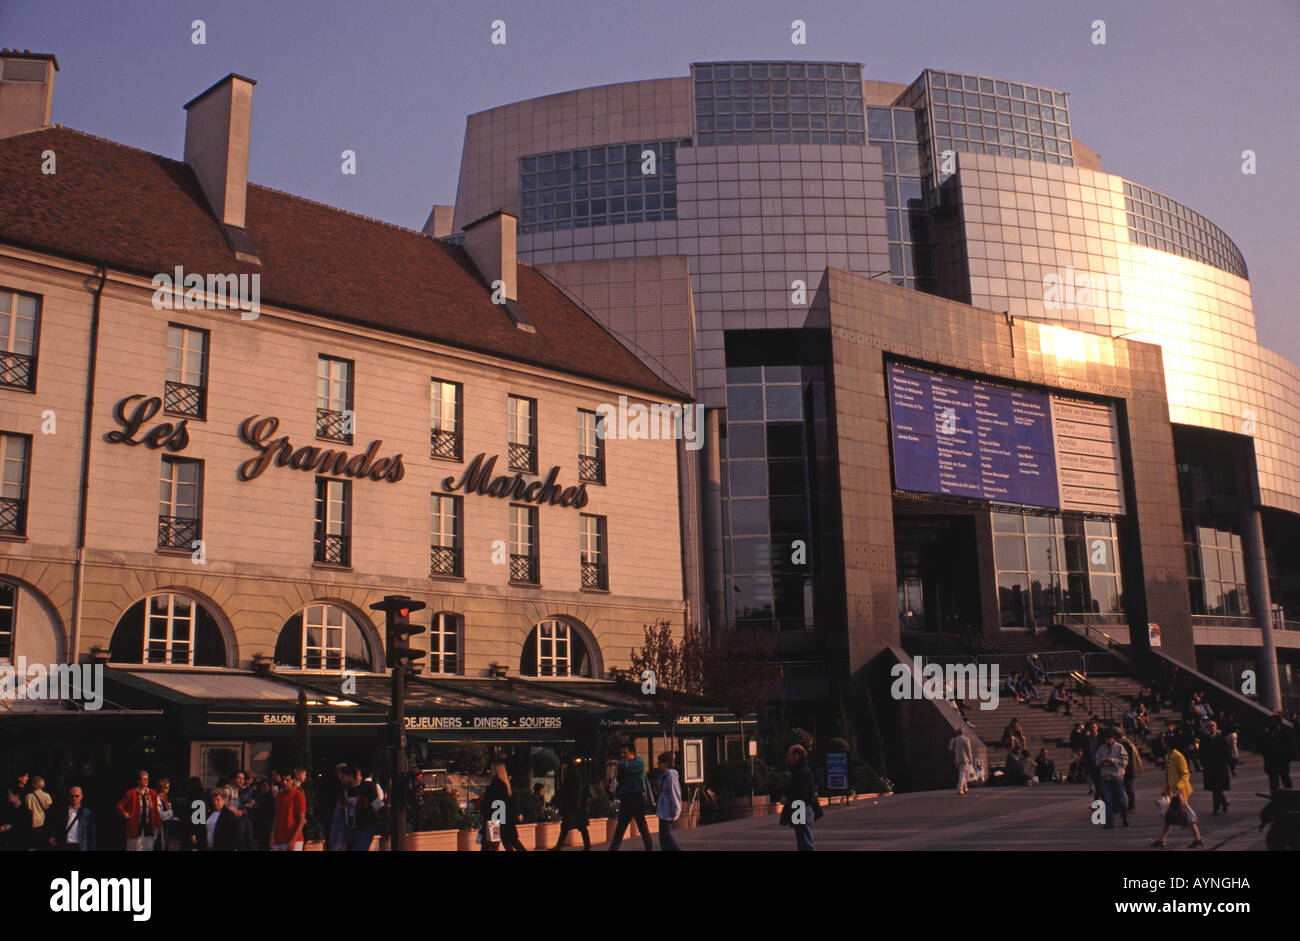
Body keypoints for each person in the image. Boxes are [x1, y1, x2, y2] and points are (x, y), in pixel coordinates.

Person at [1152, 744, 1204, 848]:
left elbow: (1185, 774)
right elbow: (1169, 776)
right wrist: (1166, 790)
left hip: (1179, 792)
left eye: (1164, 742)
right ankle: (1163, 839)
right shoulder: (1168, 756)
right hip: (1173, 792)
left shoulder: (1178, 756)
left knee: (1184, 814)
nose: (1163, 744)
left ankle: (1197, 837)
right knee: (1171, 816)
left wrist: (1178, 788)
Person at [608, 745, 653, 852]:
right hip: (626, 798)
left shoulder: (639, 762)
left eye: (625, 753)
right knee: (620, 827)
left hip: (636, 797)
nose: (623, 755)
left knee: (642, 826)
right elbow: (620, 777)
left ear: (632, 753)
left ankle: (649, 847)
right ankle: (613, 849)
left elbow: (628, 768)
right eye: (622, 753)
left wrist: (618, 763)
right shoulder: (624, 764)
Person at [778, 744, 820, 851]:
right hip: (802, 808)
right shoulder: (802, 770)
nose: (788, 757)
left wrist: (788, 798)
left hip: (801, 808)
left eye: (789, 754)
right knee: (803, 841)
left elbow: (801, 793)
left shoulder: (801, 772)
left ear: (796, 756)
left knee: (805, 842)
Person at [479, 761, 526, 852]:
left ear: (498, 771)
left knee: (491, 845)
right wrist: (517, 813)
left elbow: (491, 802)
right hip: (503, 820)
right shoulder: (505, 785)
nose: (490, 771)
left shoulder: (496, 785)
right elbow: (511, 801)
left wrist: (484, 810)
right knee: (510, 841)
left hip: (495, 820)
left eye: (492, 769)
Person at [116, 770, 163, 851]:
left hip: (148, 826)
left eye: (147, 779)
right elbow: (119, 805)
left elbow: (155, 809)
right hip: (135, 826)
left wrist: (158, 825)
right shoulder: (131, 793)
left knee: (148, 847)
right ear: (138, 781)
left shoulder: (152, 793)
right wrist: (125, 813)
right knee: (135, 848)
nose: (145, 781)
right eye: (143, 779)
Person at [550, 760, 591, 851]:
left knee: (571, 827)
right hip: (576, 806)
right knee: (578, 827)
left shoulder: (573, 777)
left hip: (573, 807)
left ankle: (559, 847)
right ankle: (587, 846)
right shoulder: (575, 776)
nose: (563, 769)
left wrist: (576, 805)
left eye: (565, 767)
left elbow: (576, 792)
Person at [340, 765, 383, 851]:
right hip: (350, 830)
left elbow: (378, 805)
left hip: (364, 828)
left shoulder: (368, 788)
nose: (341, 779)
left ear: (351, 777)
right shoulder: (344, 792)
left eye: (343, 777)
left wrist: (384, 822)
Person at [1094, 727, 1129, 828]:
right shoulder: (1101, 748)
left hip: (1117, 777)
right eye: (1106, 738)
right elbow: (1096, 761)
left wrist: (1113, 760)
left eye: (1110, 738)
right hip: (1105, 777)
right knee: (1107, 800)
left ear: (1114, 738)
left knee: (1120, 799)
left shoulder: (1120, 748)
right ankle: (1110, 821)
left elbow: (1124, 762)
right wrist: (1102, 761)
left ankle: (1125, 816)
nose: (1108, 740)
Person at [1197, 720, 1234, 815]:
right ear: (1206, 728)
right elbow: (1201, 753)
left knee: (1217, 788)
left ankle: (1216, 808)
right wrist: (1203, 763)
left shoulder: (1221, 739)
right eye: (1209, 726)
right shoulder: (1204, 739)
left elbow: (1227, 753)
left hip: (1220, 767)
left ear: (1216, 727)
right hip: (1210, 767)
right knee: (1216, 788)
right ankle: (1224, 803)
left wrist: (1232, 767)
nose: (1211, 728)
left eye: (1213, 726)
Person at [51, 786, 96, 852]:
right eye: (71, 796)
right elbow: (55, 827)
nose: (74, 798)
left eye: (77, 796)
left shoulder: (87, 813)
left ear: (81, 796)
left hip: (80, 847)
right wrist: (52, 837)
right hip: (65, 846)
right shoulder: (61, 812)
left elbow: (91, 835)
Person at [272, 768, 308, 851]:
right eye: (283, 780)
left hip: (293, 838)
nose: (284, 782)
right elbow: (276, 817)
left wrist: (293, 840)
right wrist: (272, 837)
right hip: (279, 838)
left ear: (292, 780)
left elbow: (302, 819)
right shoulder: (279, 796)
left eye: (287, 780)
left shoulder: (298, 796)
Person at [654, 752, 683, 851]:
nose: (658, 765)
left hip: (668, 810)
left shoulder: (671, 776)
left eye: (660, 762)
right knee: (663, 836)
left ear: (667, 763)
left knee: (666, 835)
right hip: (662, 810)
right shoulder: (663, 776)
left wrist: (676, 809)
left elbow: (675, 793)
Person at [1263, 716, 1296, 792]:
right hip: (1274, 760)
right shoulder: (1269, 735)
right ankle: (1279, 794)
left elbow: (1291, 747)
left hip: (1280, 760)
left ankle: (1287, 794)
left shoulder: (1284, 734)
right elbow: (1265, 751)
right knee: (1277, 780)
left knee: (1283, 778)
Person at [24, 776, 54, 850]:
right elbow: (50, 809)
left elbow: (28, 809)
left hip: (33, 824)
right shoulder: (47, 796)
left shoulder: (29, 796)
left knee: (33, 846)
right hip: (44, 824)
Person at [1118, 730, 1143, 815]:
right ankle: (1126, 806)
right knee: (1125, 789)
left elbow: (1128, 758)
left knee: (1128, 788)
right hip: (1126, 769)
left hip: (1128, 770)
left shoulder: (1124, 744)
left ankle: (1131, 806)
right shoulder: (1128, 742)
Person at [249, 777, 276, 849]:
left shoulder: (272, 800)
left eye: (265, 786)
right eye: (261, 786)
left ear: (269, 787)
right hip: (258, 831)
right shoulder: (258, 799)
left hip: (268, 831)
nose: (263, 788)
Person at [949, 726, 975, 795]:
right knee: (962, 774)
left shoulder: (953, 740)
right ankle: (960, 789)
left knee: (962, 773)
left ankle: (965, 788)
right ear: (963, 733)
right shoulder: (966, 740)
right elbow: (968, 750)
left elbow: (950, 749)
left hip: (957, 759)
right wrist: (970, 759)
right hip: (965, 759)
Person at [155, 778, 175, 851]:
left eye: (168, 787)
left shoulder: (165, 798)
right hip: (158, 828)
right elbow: (159, 815)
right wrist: (170, 813)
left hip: (164, 827)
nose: (168, 789)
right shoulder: (157, 798)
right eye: (166, 787)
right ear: (161, 787)